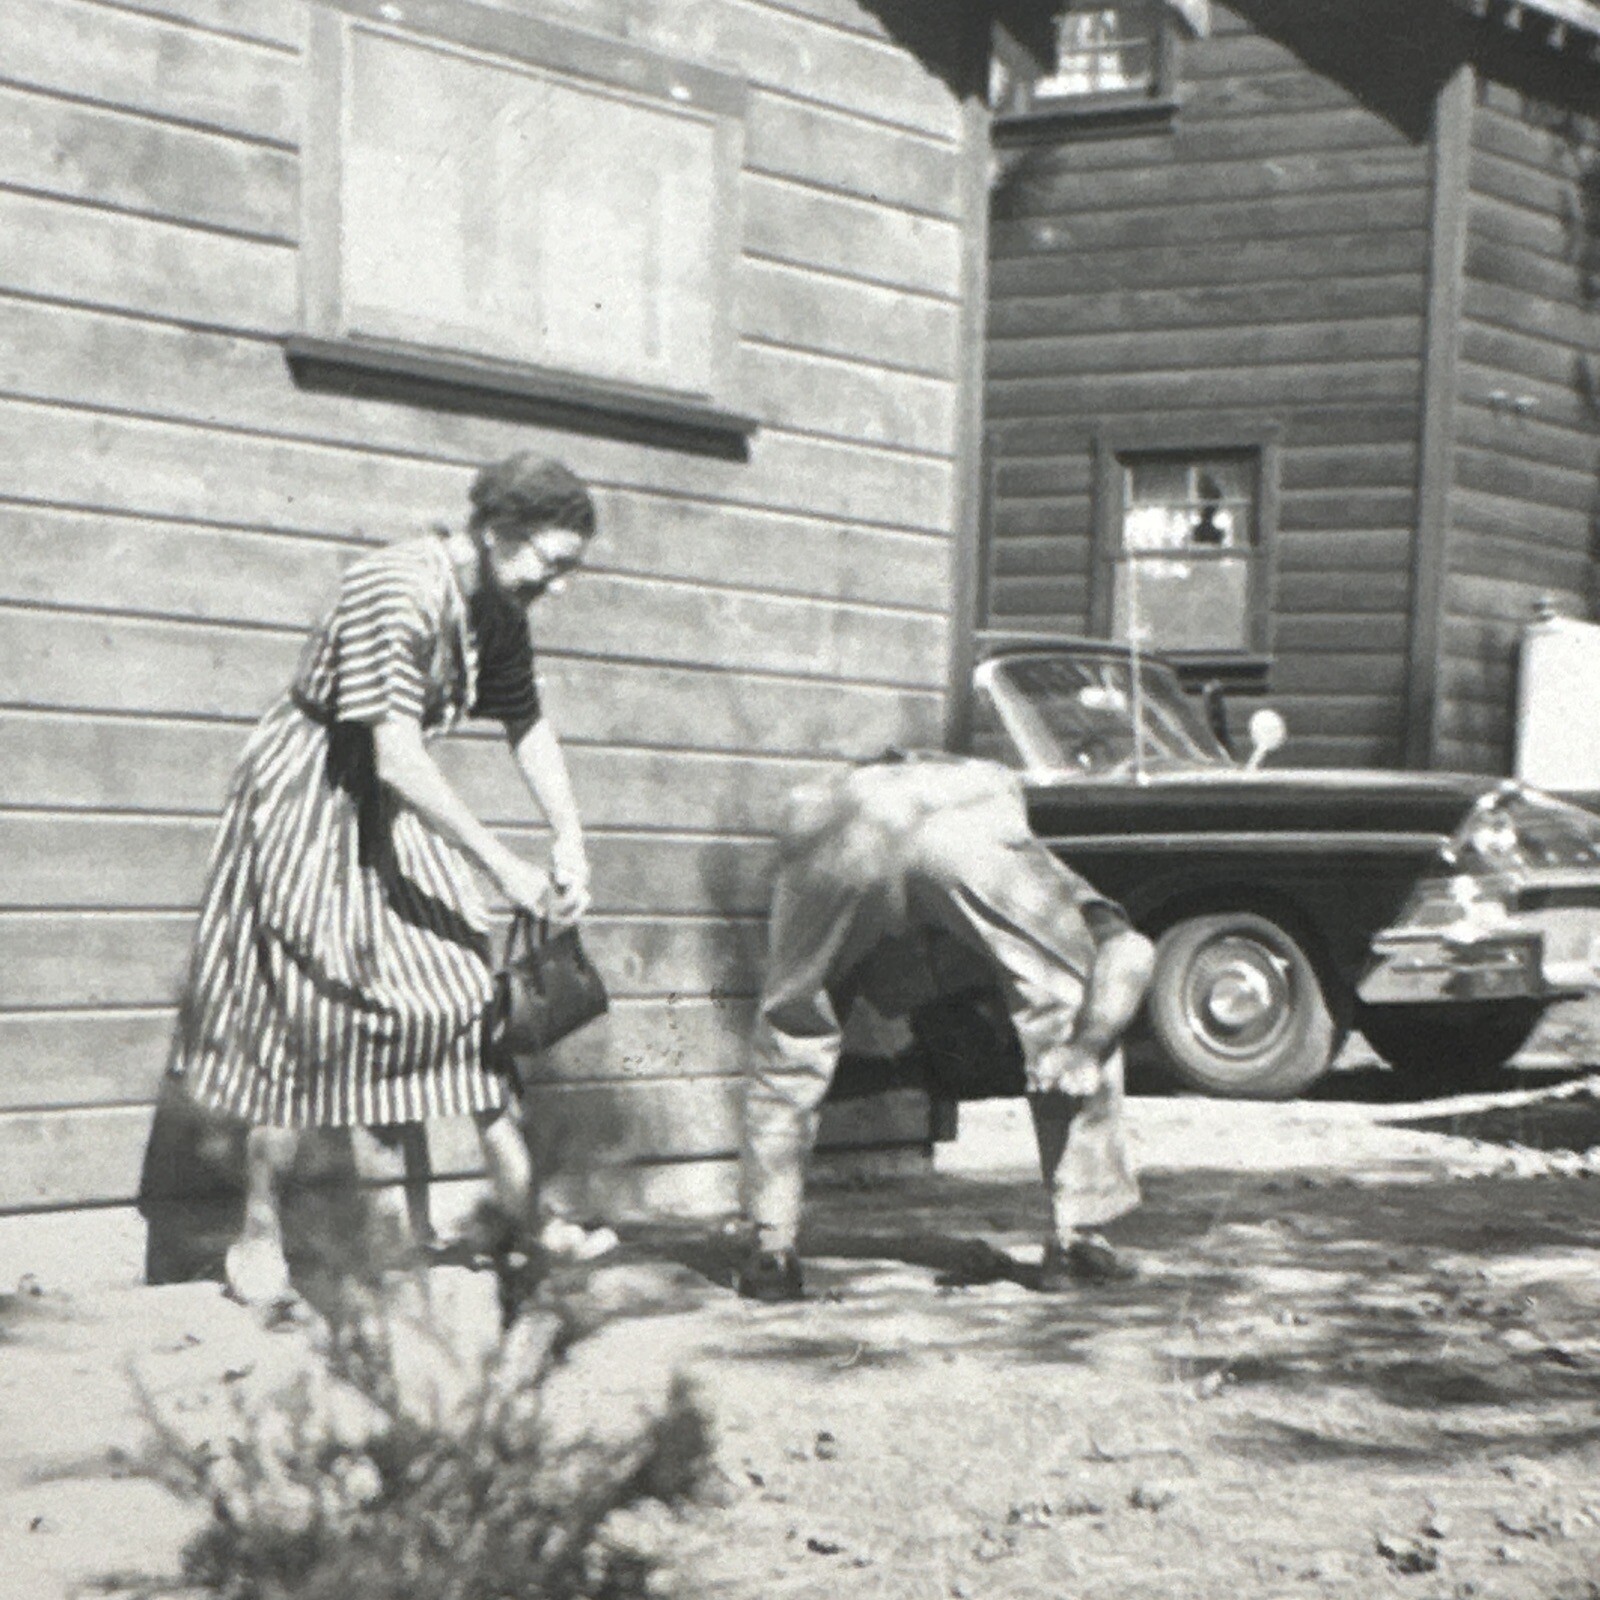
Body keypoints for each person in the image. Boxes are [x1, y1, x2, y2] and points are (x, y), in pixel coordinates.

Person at [167, 451, 599, 1310]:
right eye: (552, 566)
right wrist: (506, 864)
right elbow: (394, 757)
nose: (559, 588)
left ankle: (521, 1216)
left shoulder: (495, 606)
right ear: (501, 532)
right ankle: (256, 1238)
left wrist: (568, 838)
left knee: (468, 986)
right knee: (302, 1007)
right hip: (311, 797)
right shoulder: (393, 588)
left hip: (386, 802)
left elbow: (526, 722)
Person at [737, 751, 1154, 1302]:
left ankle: (771, 1248)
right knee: (1068, 1009)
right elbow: (1130, 949)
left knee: (793, 1027)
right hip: (962, 818)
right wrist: (1086, 1044)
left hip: (826, 823)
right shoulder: (1050, 876)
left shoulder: (878, 807)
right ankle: (1076, 1239)